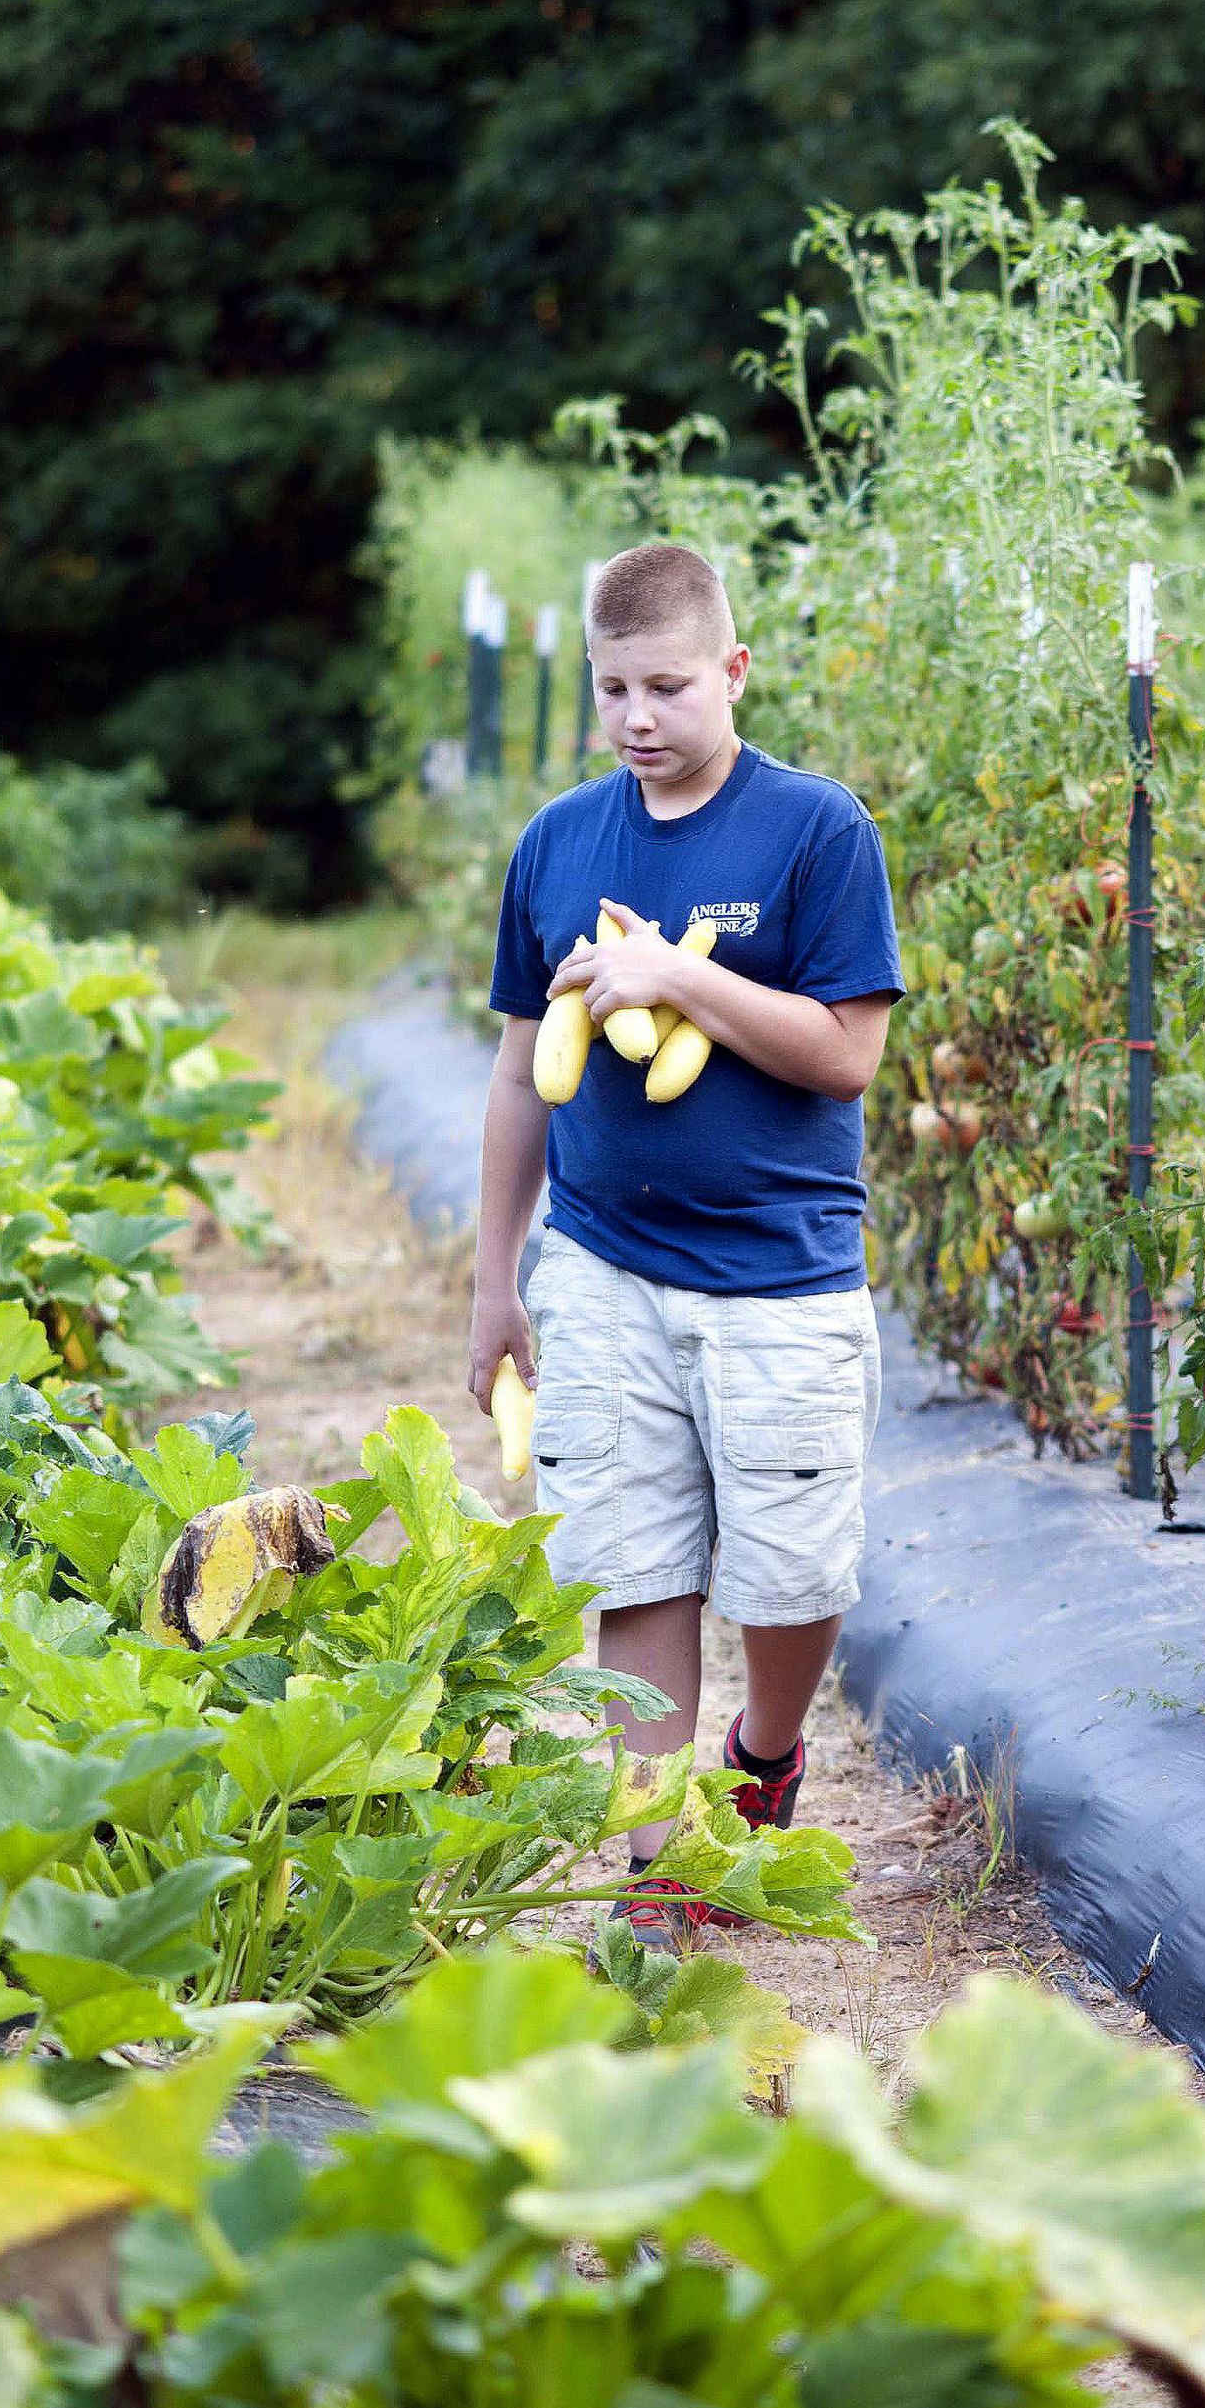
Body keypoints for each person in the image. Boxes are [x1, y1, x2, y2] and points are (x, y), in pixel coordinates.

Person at [468, 539, 903, 1950]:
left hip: (781, 1276)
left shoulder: (815, 831)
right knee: (634, 1563)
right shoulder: (559, 845)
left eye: (667, 685)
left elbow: (846, 1056)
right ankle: (651, 1872)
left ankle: (766, 1753)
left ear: (733, 671)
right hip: (599, 1266)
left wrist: (681, 978)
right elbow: (520, 1066)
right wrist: (497, 1277)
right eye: (613, 692)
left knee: (793, 1575)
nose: (639, 717)